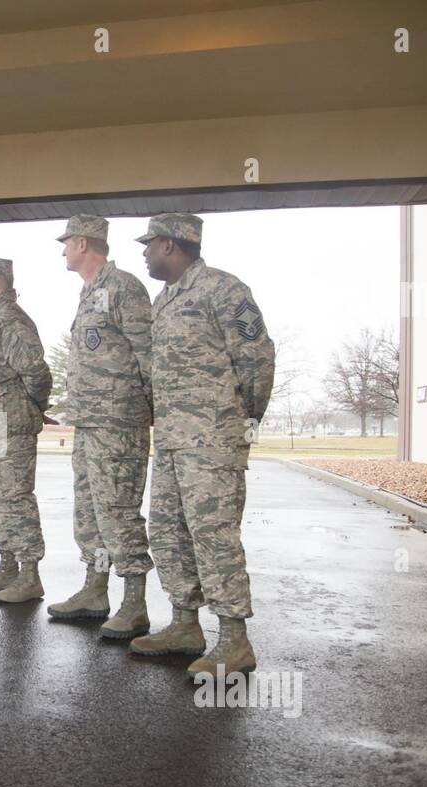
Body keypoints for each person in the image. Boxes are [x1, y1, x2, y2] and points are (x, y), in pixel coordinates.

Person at [131, 214, 275, 675]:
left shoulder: (223, 289)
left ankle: (234, 640)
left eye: (149, 244)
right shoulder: (165, 299)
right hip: (172, 440)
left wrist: (240, 419)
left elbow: (257, 359)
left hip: (212, 440)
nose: (145, 252)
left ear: (172, 245)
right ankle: (184, 624)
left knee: (213, 536)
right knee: (169, 532)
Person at [45, 214, 156, 639]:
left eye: (67, 242)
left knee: (118, 512)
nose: (63, 250)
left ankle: (135, 603)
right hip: (90, 423)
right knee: (89, 511)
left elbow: (149, 356)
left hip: (119, 423)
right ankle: (96, 588)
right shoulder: (89, 293)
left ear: (84, 244)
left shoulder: (123, 288)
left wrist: (150, 413)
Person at [0, 258, 52, 602]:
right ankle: (8, 567)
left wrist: (33, 408)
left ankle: (30, 575)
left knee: (15, 498)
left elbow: (37, 374)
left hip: (12, 425)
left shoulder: (11, 321)